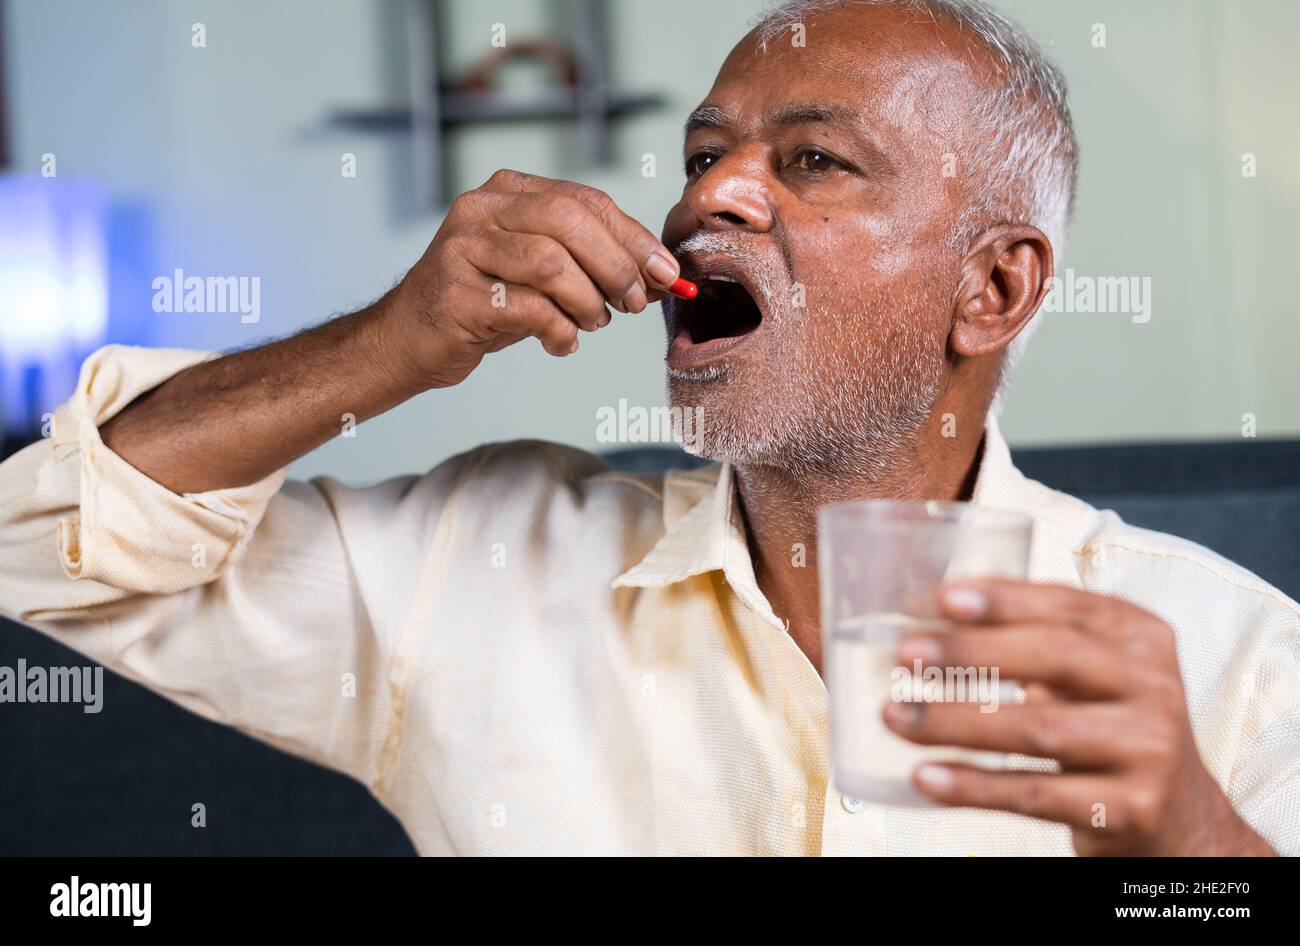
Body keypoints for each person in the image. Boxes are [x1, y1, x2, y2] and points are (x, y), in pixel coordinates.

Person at [1, 0, 1294, 855]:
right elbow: (45, 543)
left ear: (994, 287)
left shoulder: (1234, 659)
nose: (707, 198)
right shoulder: (478, 558)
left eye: (814, 161)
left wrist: (1191, 837)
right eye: (701, 155)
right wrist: (389, 342)